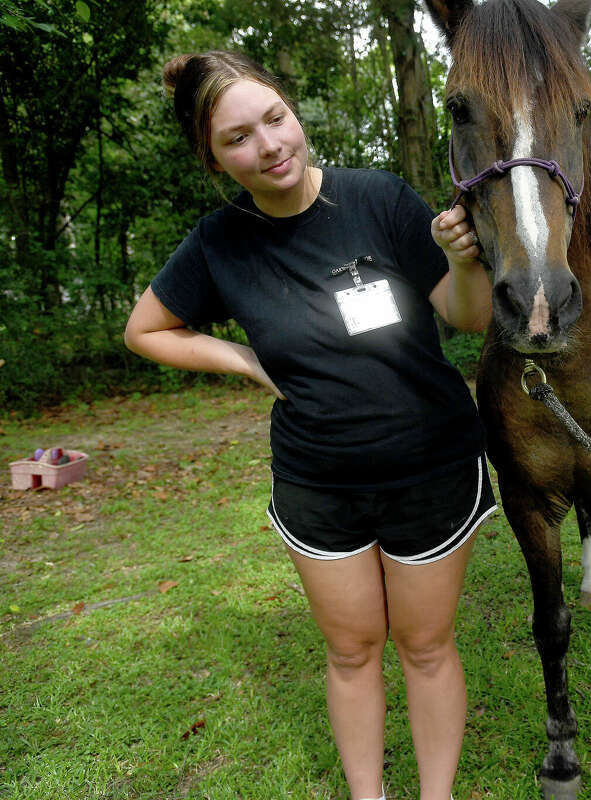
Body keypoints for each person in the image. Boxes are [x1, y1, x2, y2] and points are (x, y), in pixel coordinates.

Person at [124, 51, 493, 800]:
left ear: (293, 111)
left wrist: (463, 265)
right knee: (353, 650)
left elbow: (468, 316)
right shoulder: (218, 242)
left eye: (275, 118)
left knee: (425, 646)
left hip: (432, 467)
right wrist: (241, 358)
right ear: (212, 156)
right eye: (237, 139)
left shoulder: (379, 199)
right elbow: (146, 329)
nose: (269, 146)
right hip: (318, 484)